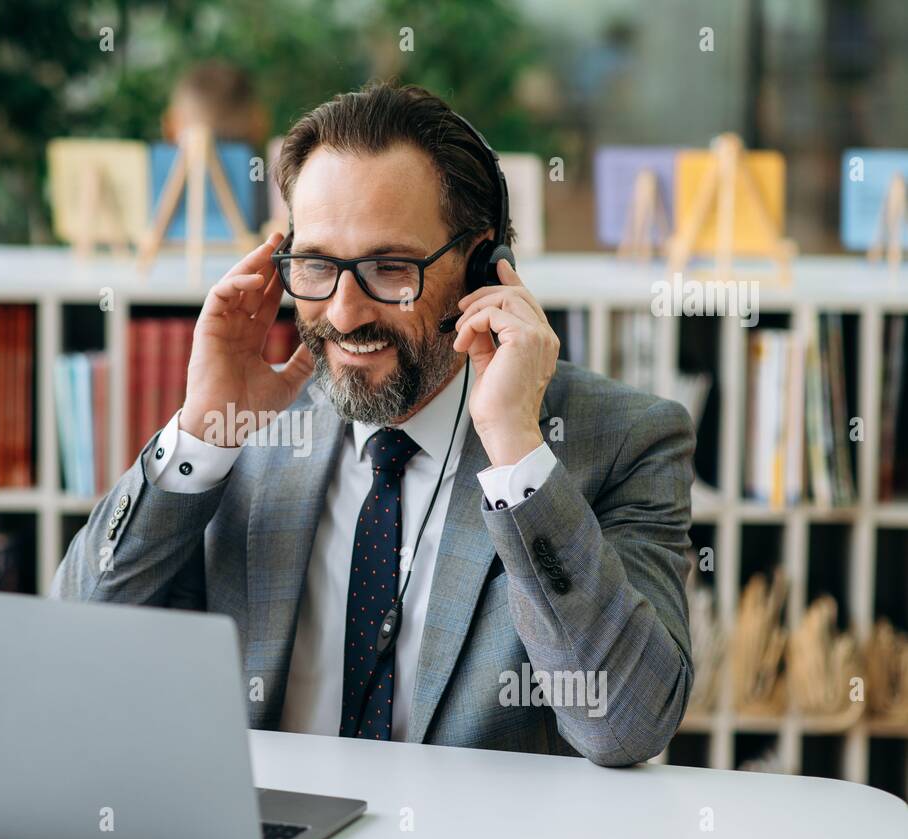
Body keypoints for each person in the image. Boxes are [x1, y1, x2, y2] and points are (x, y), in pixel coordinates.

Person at [52, 81, 695, 767]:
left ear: (483, 266)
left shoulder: (623, 440)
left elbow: (625, 726)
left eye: (391, 268)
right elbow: (75, 650)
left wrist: (515, 453)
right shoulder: (248, 433)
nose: (345, 312)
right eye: (319, 266)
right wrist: (204, 433)